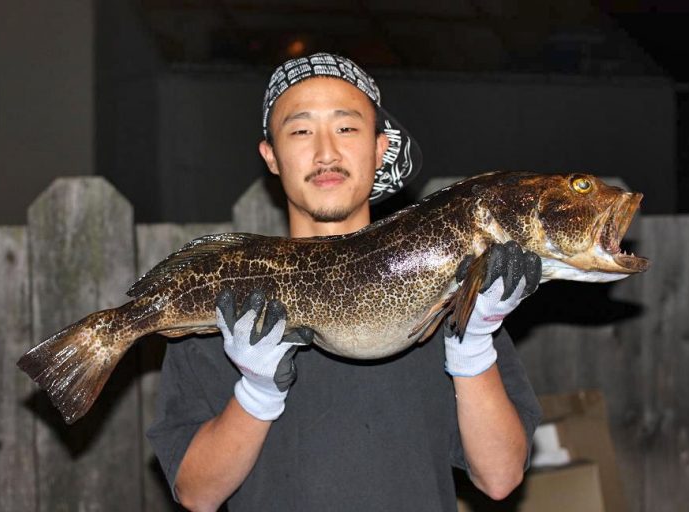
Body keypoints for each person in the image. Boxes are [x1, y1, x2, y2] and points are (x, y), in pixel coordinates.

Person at [148, 52, 542, 512]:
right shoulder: (232, 297)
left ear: (380, 147)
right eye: (300, 130)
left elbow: (499, 477)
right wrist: (255, 394)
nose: (326, 152)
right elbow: (196, 493)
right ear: (271, 157)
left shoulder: (454, 286)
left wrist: (472, 345)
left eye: (347, 127)